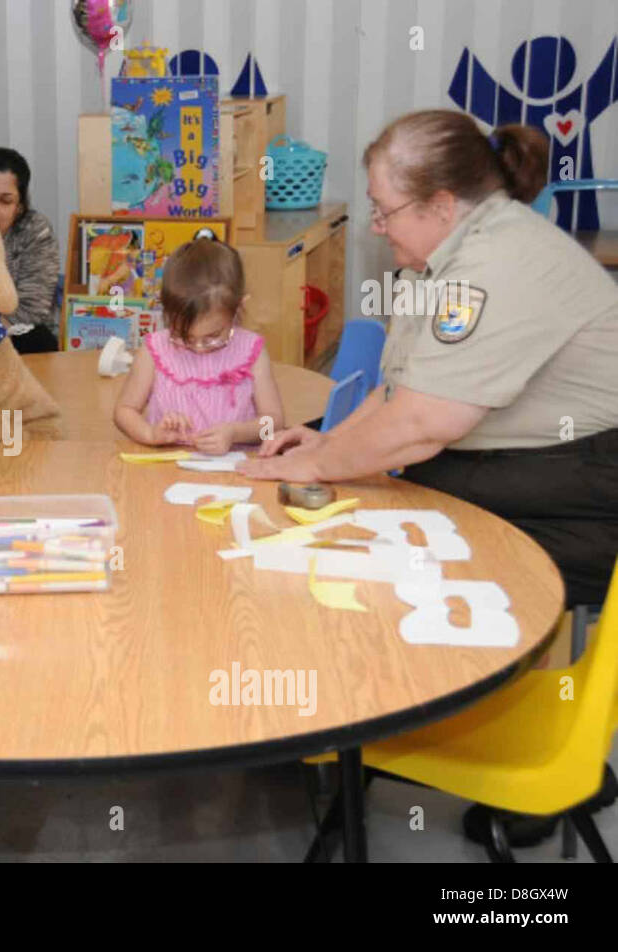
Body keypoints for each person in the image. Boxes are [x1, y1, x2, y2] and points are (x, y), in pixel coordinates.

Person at [238, 109, 618, 847]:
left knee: (380, 530)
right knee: (356, 500)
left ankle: (377, 720)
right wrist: (315, 444)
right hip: (524, 463)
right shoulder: (446, 257)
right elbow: (393, 396)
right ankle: (339, 715)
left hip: (586, 484)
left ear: (442, 206)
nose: (377, 226)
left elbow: (420, 425)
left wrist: (317, 465)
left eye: (385, 210)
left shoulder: (498, 264)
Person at [114, 237, 285, 451]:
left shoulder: (252, 352)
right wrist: (150, 433)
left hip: (234, 470)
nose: (199, 347)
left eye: (213, 335)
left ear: (238, 308)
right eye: (183, 335)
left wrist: (236, 433)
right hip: (166, 469)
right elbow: (124, 411)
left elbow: (274, 423)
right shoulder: (154, 351)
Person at [0, 148, 61, 353]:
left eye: (5, 201)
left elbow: (32, 309)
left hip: (12, 333)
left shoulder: (35, 230)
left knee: (38, 339)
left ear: (19, 207)